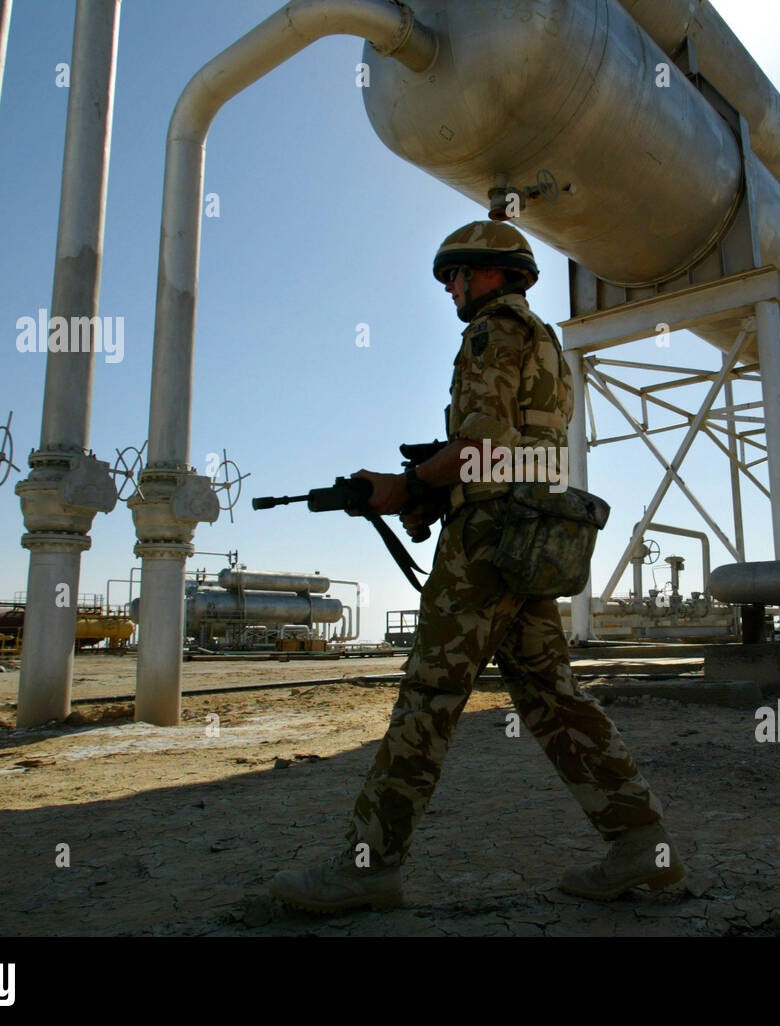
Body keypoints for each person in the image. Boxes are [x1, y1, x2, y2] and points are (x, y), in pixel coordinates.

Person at [270, 221, 683, 913]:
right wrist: (437, 491)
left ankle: (367, 866)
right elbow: (516, 450)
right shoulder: (546, 340)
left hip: (489, 546)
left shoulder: (490, 332)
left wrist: (406, 484)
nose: (450, 289)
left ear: (491, 272)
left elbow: (482, 445)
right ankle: (643, 844)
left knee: (430, 695)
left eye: (455, 275)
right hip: (531, 539)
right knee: (554, 699)